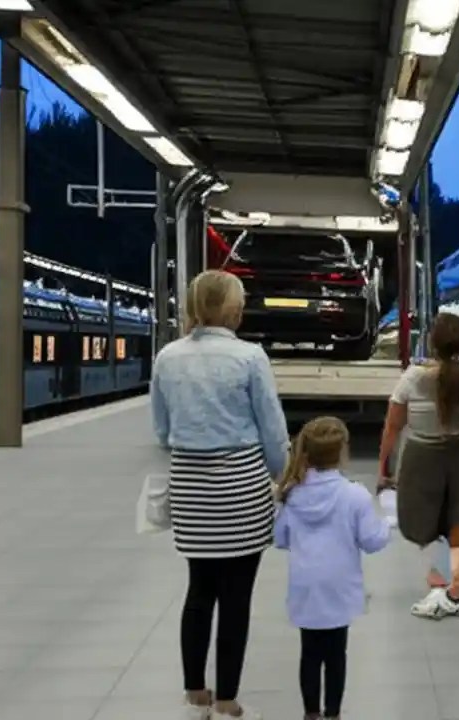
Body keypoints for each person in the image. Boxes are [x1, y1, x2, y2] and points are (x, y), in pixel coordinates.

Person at [152, 269, 289, 720]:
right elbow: (272, 430)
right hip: (242, 487)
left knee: (199, 591)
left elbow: (161, 428)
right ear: (230, 308)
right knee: (236, 598)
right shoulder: (250, 356)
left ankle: (195, 692)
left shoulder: (167, 357)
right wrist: (283, 479)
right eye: (241, 300)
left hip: (190, 484)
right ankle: (227, 697)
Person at [377, 312, 459, 619]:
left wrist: (384, 466)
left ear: (431, 342)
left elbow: (392, 426)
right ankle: (455, 591)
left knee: (426, 525)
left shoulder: (413, 378)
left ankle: (445, 588)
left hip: (421, 460)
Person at [275, 417, 391, 720]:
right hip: (339, 588)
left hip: (305, 587)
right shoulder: (354, 495)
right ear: (342, 452)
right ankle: (333, 714)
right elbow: (372, 541)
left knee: (309, 654)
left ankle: (310, 713)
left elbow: (280, 538)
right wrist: (388, 523)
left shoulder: (293, 494)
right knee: (336, 654)